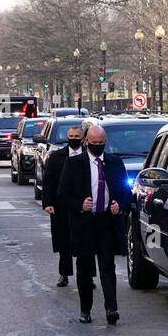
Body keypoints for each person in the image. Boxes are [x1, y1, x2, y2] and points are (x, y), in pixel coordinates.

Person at [58, 125, 133, 325]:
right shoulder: (73, 164)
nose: (97, 146)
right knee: (84, 268)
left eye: (101, 144)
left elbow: (127, 193)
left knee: (107, 266)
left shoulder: (115, 163)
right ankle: (85, 310)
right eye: (94, 143)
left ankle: (111, 308)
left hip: (106, 220)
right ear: (86, 142)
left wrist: (120, 205)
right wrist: (79, 205)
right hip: (84, 223)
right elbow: (63, 195)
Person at [41, 126, 83, 286]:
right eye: (71, 136)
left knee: (85, 243)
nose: (74, 139)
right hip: (61, 206)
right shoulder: (57, 157)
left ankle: (87, 276)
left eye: (77, 136)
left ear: (83, 138)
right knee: (64, 241)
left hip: (83, 205)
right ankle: (64, 274)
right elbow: (48, 181)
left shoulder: (89, 156)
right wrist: (48, 203)